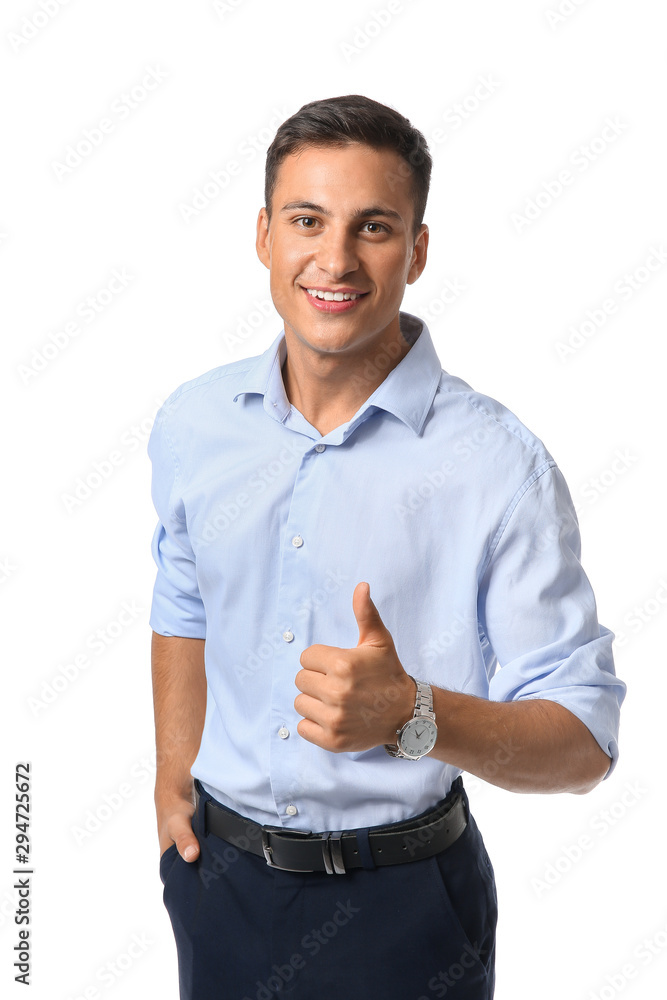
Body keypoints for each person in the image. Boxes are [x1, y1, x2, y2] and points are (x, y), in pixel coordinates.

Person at [148, 94, 626, 1000]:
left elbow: (585, 742)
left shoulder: (497, 467)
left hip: (405, 914)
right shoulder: (194, 423)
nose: (333, 259)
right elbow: (183, 598)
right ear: (263, 236)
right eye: (306, 221)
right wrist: (176, 779)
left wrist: (414, 713)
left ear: (416, 250)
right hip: (218, 886)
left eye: (372, 227)